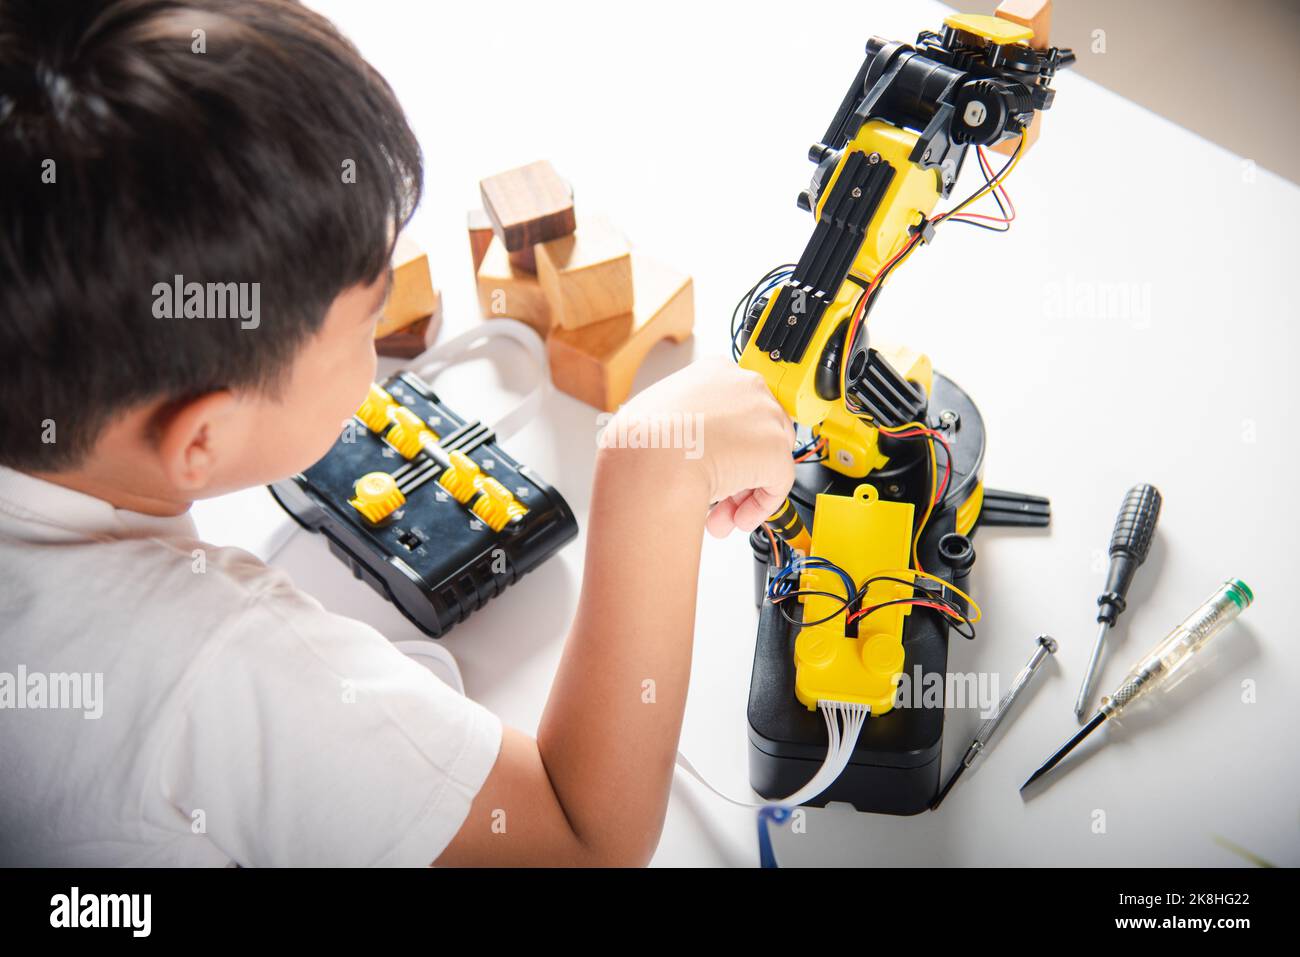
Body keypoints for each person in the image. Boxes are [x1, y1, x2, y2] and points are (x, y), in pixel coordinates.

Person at [0, 0, 794, 866]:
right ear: (202, 440)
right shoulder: (220, 674)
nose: (384, 337)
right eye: (369, 317)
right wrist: (653, 475)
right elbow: (582, 844)